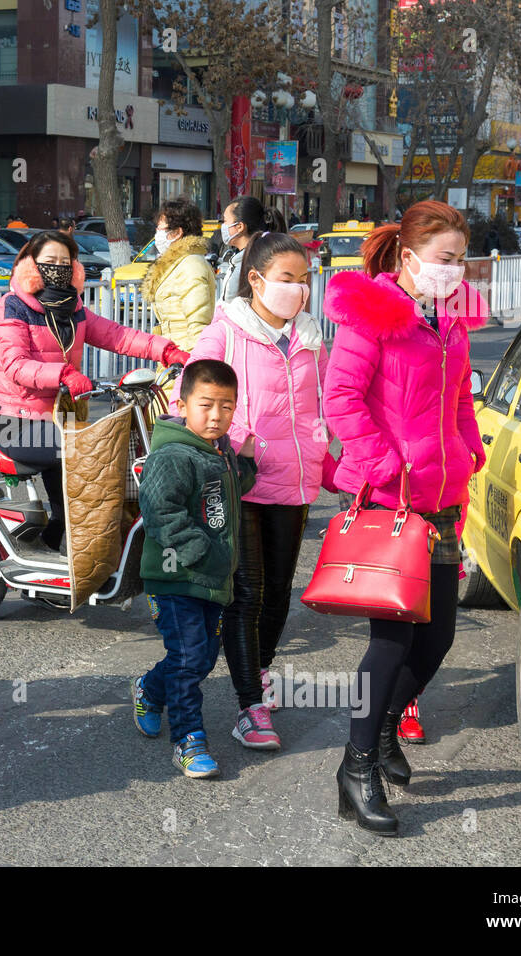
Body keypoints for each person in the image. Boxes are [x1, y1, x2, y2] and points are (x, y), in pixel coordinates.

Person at [322, 199, 487, 835]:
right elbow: (339, 398)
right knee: (390, 642)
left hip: (443, 496)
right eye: (446, 260)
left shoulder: (450, 321)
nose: (455, 271)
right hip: (392, 500)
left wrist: (469, 448)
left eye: (461, 260)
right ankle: (355, 768)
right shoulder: (374, 317)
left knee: (438, 635)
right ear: (411, 258)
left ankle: (386, 727)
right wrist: (383, 464)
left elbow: (461, 397)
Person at [174, 231, 335, 750]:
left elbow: (328, 406)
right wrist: (232, 443)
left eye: (305, 281)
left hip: (295, 481)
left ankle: (259, 672)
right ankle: (250, 708)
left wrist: (341, 465)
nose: (298, 291)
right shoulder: (227, 329)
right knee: (245, 594)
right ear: (257, 280)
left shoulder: (311, 336)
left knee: (277, 595)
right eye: (287, 279)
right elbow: (192, 395)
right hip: (235, 479)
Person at [0, 230, 188, 551]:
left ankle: (59, 546)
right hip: (18, 423)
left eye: (65, 262)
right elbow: (15, 365)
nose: (58, 268)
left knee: (90, 475)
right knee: (94, 453)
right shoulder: (12, 308)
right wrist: (63, 374)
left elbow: (117, 335)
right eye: (49, 262)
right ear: (30, 265)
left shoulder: (74, 308)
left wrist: (166, 350)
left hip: (62, 418)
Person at [132, 359, 257, 778]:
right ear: (182, 404)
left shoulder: (218, 452)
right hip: (175, 576)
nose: (217, 415)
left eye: (227, 406)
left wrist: (246, 466)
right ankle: (188, 740)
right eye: (206, 405)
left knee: (201, 658)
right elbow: (158, 510)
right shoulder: (173, 454)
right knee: (188, 659)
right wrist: (195, 549)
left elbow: (226, 496)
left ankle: (149, 688)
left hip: (211, 578)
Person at [144, 198, 215, 352]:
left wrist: (191, 365)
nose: (157, 233)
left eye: (160, 228)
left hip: (185, 355)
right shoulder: (177, 263)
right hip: (173, 352)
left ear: (177, 232)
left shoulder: (191, 265)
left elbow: (198, 322)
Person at [216, 197, 286, 303]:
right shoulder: (244, 258)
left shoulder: (251, 263)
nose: (223, 226)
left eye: (225, 221)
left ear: (240, 227)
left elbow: (231, 305)